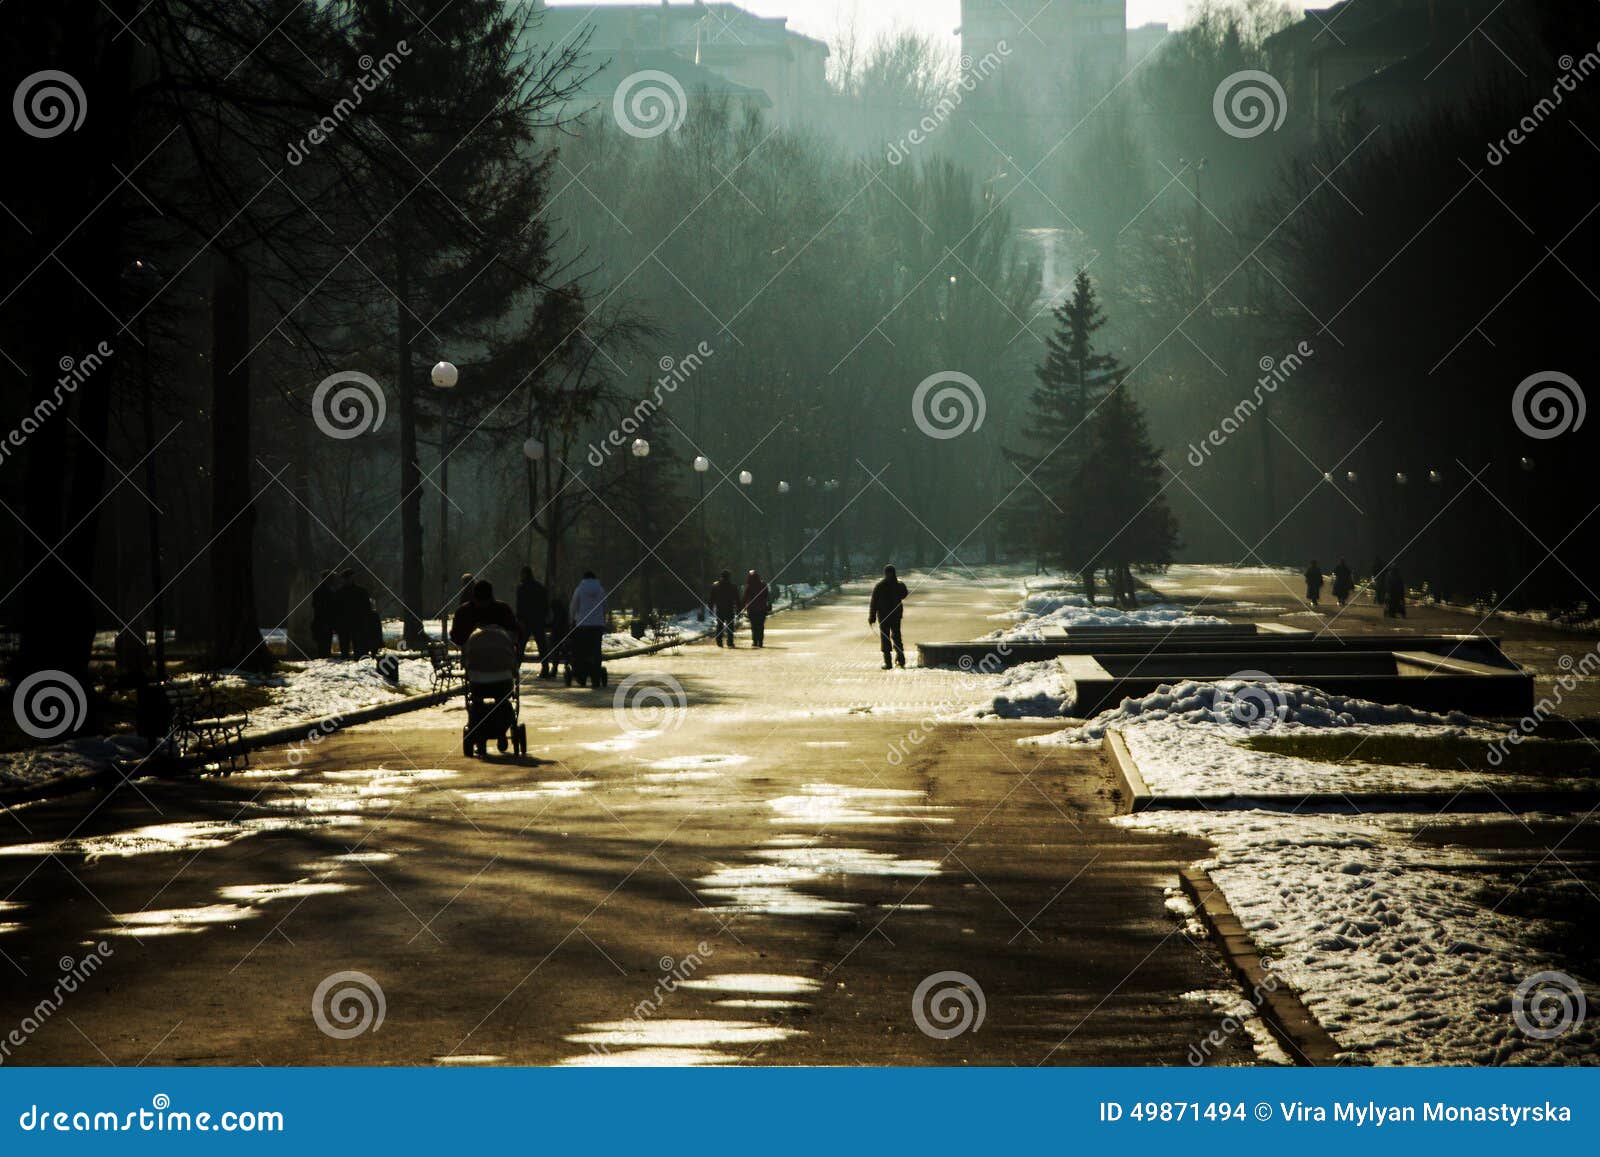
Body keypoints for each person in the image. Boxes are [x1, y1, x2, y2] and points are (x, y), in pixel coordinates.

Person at [449, 579, 522, 649]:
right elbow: (516, 632)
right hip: (500, 653)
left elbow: (455, 637)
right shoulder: (503, 609)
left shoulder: (463, 611)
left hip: (472, 654)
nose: (482, 605)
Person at [868, 564, 910, 670]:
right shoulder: (898, 585)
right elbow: (904, 594)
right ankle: (899, 659)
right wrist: (872, 616)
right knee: (895, 637)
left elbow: (874, 602)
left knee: (888, 638)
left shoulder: (880, 586)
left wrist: (872, 616)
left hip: (885, 616)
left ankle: (890, 662)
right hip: (893, 616)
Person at [570, 571, 608, 685]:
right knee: (596, 651)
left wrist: (571, 620)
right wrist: (602, 619)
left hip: (582, 625)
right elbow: (605, 607)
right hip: (597, 626)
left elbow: (573, 606)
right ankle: (596, 675)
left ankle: (581, 675)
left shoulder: (579, 590)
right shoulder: (600, 590)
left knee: (582, 650)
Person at [336, 570, 374, 659]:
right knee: (350, 646)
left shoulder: (340, 592)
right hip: (352, 622)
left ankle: (351, 659)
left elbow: (367, 608)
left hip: (353, 622)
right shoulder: (360, 591)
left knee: (353, 646)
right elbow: (367, 608)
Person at [515, 566, 549, 666]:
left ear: (525, 574)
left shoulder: (521, 588)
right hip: (538, 620)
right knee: (542, 645)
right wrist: (544, 617)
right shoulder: (540, 587)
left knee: (521, 645)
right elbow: (545, 604)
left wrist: (519, 619)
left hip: (525, 621)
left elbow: (519, 605)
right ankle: (545, 667)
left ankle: (516, 667)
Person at [311, 570, 339, 658]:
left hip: (322, 621)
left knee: (323, 645)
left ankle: (323, 657)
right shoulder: (326, 591)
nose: (333, 580)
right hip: (324, 622)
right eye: (332, 578)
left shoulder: (320, 590)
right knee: (324, 645)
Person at [543, 592, 571, 679]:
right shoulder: (563, 613)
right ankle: (563, 666)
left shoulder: (559, 614)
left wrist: (546, 626)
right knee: (561, 651)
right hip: (564, 635)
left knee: (555, 649)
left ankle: (555, 669)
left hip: (559, 636)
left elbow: (556, 626)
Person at [741, 569, 771, 648]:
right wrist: (768, 605)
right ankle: (760, 641)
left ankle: (755, 641)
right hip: (762, 609)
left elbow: (744, 598)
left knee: (754, 625)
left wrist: (741, 607)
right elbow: (767, 596)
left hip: (752, 609)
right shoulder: (763, 585)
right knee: (760, 625)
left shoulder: (748, 586)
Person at [709, 570, 739, 647]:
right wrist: (738, 608)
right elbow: (737, 598)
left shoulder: (716, 586)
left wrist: (711, 608)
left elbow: (711, 598)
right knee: (730, 626)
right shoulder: (732, 586)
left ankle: (719, 641)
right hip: (729, 608)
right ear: (729, 577)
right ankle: (730, 642)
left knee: (719, 625)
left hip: (720, 608)